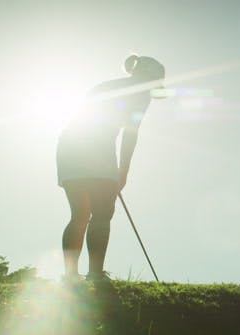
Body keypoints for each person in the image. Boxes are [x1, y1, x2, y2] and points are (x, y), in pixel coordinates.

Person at [58, 54, 165, 282]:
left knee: (79, 214)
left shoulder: (105, 86)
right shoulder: (141, 92)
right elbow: (130, 134)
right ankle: (95, 274)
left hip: (69, 146)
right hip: (95, 150)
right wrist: (122, 174)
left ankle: (69, 275)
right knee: (103, 213)